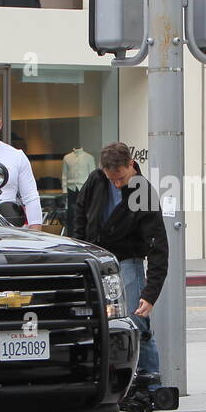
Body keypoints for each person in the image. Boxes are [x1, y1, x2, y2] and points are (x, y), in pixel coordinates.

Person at [70, 143, 168, 389]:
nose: (116, 184)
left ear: (131, 165)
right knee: (91, 319)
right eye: (110, 178)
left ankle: (150, 380)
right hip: (93, 258)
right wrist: (79, 247)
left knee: (137, 320)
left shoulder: (143, 192)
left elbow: (158, 245)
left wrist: (151, 294)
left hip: (127, 260)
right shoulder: (96, 179)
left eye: (121, 178)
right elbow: (80, 211)